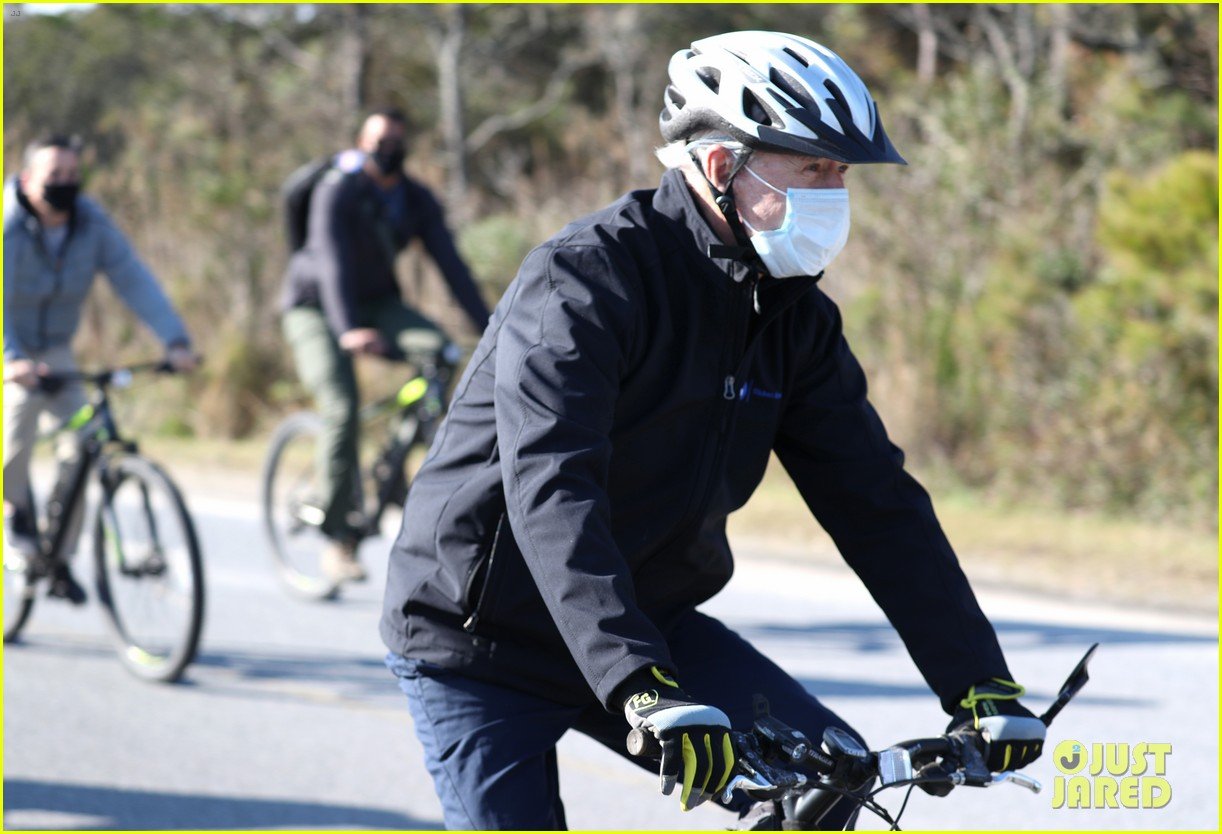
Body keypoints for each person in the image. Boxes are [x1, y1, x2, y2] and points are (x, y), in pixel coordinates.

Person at [380, 31, 1047, 830]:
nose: (836, 193)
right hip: (483, 639)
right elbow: (553, 488)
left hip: (648, 621)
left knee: (828, 787)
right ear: (725, 167)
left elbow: (875, 501)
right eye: (814, 168)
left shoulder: (793, 315)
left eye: (842, 172)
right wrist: (636, 681)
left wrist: (975, 679)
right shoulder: (584, 280)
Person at [279, 108, 491, 584]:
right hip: (316, 307)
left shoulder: (414, 200)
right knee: (341, 408)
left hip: (378, 303)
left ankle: (389, 470)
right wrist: (347, 328)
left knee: (441, 353)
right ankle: (338, 538)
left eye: (395, 141)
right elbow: (331, 260)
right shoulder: (337, 189)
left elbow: (452, 267)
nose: (386, 150)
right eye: (377, 141)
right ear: (360, 142)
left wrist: (493, 326)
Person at [3, 134, 197, 604]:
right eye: (55, 176)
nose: (66, 184)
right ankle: (13, 514)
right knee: (19, 422)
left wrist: (175, 339)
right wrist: (11, 359)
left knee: (85, 441)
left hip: (55, 349)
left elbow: (133, 278)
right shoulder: (7, 226)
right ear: (28, 180)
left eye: (73, 175)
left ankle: (56, 554)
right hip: (9, 349)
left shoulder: (91, 223)